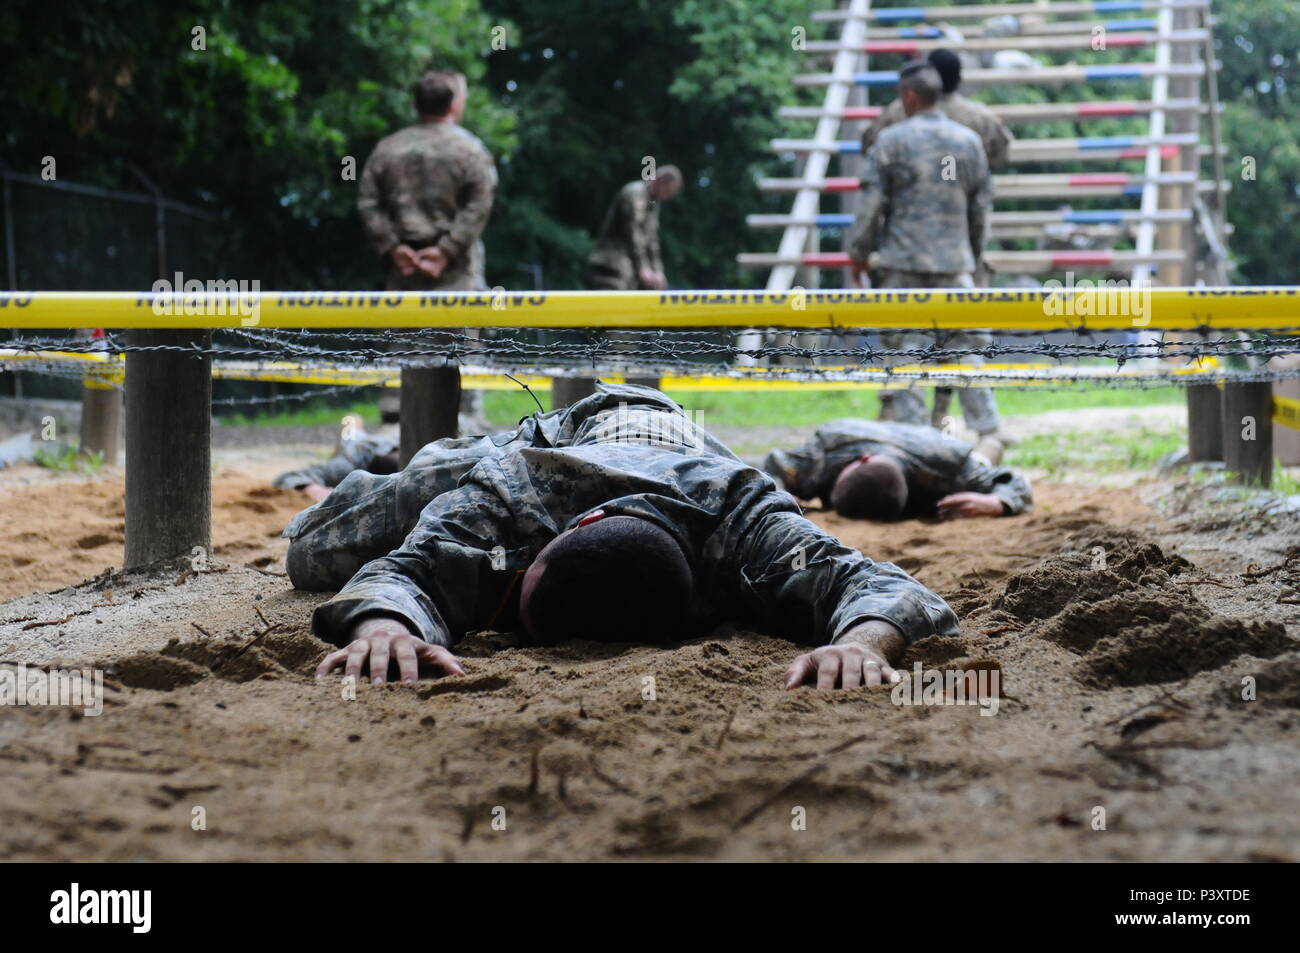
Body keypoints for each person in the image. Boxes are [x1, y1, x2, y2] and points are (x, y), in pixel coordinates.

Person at [293, 384, 959, 691]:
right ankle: (341, 454)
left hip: (689, 446)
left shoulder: (744, 518)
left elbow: (878, 588)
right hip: (562, 434)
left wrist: (862, 642)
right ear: (566, 530)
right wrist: (383, 624)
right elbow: (408, 568)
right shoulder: (512, 491)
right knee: (313, 549)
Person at [848, 62, 1007, 462]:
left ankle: (915, 445)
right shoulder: (968, 141)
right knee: (966, 350)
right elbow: (980, 211)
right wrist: (969, 255)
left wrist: (858, 255)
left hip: (903, 266)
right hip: (955, 266)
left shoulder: (890, 141)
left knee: (905, 355)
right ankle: (989, 433)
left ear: (909, 96)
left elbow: (870, 207)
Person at [357, 69, 497, 441]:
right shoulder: (470, 149)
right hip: (457, 268)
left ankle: (393, 432)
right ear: (454, 104)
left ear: (415, 104)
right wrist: (446, 251)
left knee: (403, 340)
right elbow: (480, 204)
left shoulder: (387, 149)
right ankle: (465, 433)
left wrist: (394, 248)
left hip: (404, 267)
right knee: (463, 341)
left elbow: (368, 204)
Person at [763, 419, 1032, 522]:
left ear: (865, 459)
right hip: (883, 434)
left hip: (937, 445)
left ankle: (992, 442)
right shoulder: (828, 448)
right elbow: (775, 463)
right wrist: (780, 490)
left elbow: (1013, 481)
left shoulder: (950, 469)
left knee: (985, 457)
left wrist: (996, 502)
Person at [861, 50, 1012, 171]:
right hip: (959, 201)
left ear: (928, 77)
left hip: (907, 199)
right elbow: (1000, 156)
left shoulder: (898, 111)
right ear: (959, 79)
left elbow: (869, 146)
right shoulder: (981, 117)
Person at [587, 166, 682, 292]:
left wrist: (658, 271)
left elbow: (652, 239)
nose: (669, 196)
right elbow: (633, 233)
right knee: (611, 307)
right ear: (661, 182)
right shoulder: (635, 193)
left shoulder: (653, 202)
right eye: (669, 190)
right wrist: (644, 267)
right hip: (611, 264)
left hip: (629, 268)